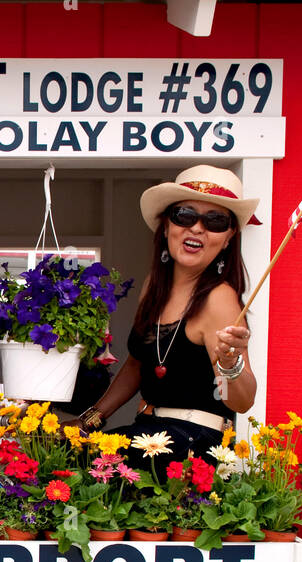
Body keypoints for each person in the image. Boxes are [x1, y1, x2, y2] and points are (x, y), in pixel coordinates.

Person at [77, 165, 258, 466]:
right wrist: (89, 420)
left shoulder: (219, 298)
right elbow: (138, 364)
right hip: (146, 433)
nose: (197, 228)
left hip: (190, 446)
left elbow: (240, 400)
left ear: (228, 238)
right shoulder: (154, 286)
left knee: (84, 469)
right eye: (185, 215)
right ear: (166, 226)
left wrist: (230, 365)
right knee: (63, 452)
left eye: (215, 221)